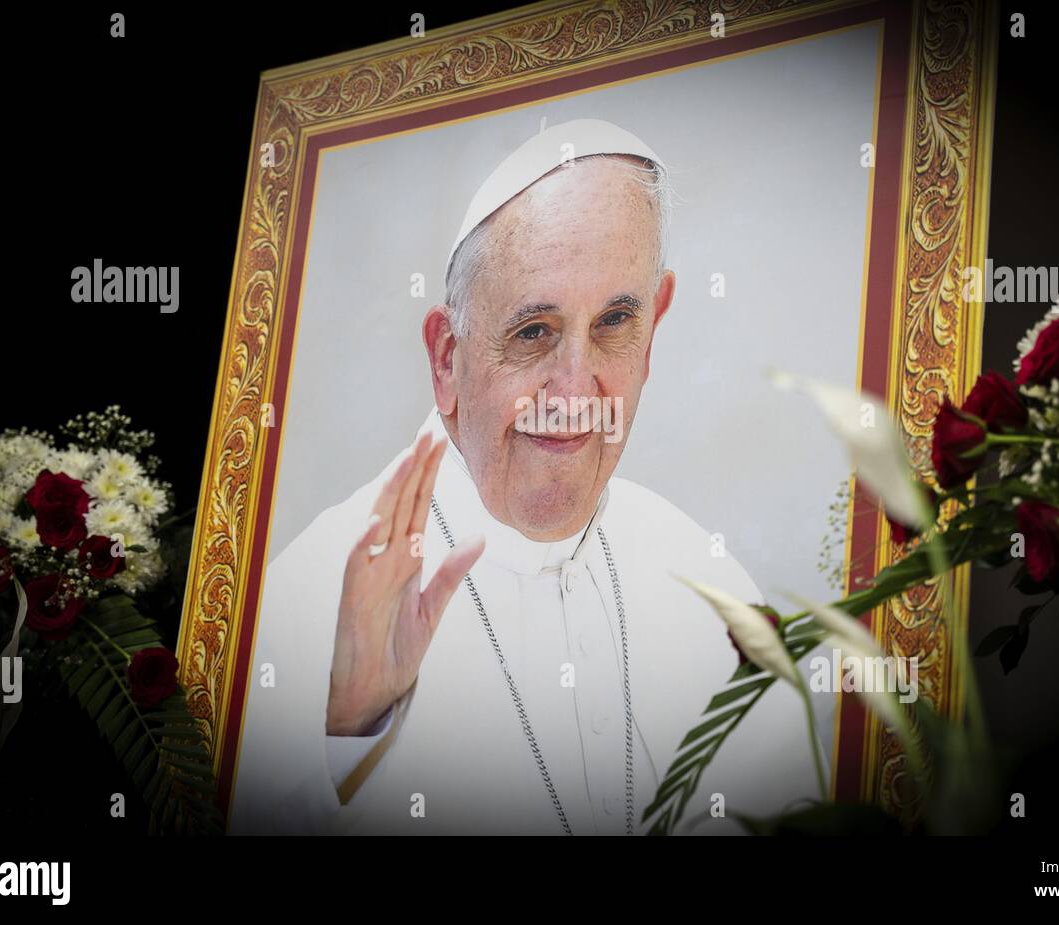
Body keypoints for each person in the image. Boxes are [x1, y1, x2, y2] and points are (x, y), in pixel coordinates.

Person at [231, 119, 823, 835]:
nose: (575, 390)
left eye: (613, 322)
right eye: (534, 332)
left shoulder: (709, 579)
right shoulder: (308, 598)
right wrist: (349, 723)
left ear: (654, 329)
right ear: (448, 357)